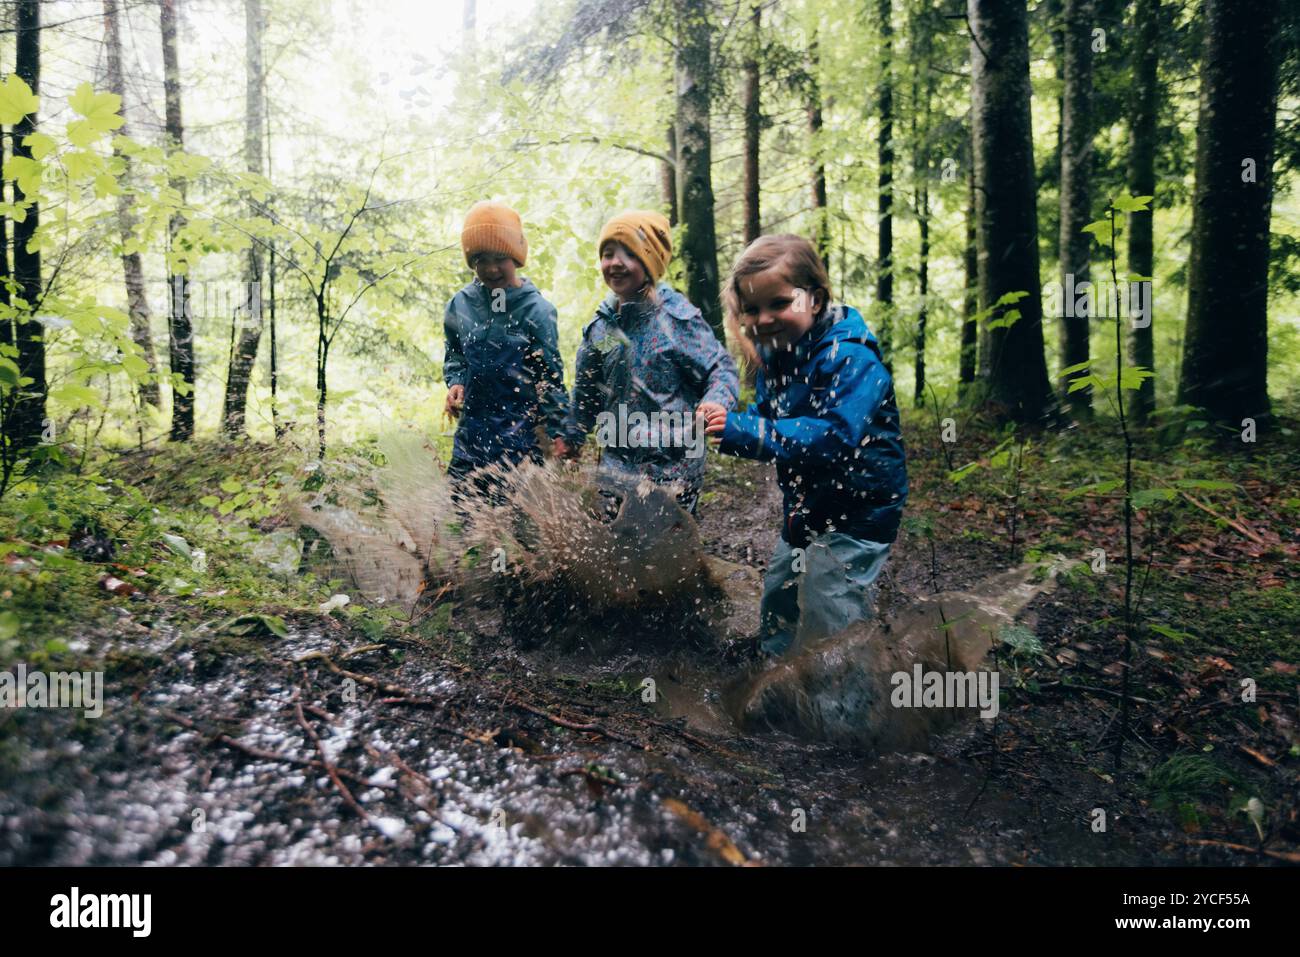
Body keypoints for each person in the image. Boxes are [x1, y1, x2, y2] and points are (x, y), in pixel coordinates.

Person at [703, 234, 908, 656]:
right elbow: (770, 427)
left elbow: (833, 435)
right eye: (752, 309)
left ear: (814, 300)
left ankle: (842, 701)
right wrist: (728, 426)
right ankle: (778, 677)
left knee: (830, 604)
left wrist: (748, 431)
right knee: (780, 592)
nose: (763, 319)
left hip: (860, 512)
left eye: (779, 303)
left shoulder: (852, 358)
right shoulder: (775, 362)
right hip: (805, 508)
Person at [559, 210, 739, 516]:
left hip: (675, 466)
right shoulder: (604, 329)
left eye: (629, 253)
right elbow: (588, 390)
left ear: (650, 262)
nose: (615, 262)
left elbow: (719, 368)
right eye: (607, 254)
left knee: (667, 551)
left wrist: (716, 400)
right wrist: (571, 435)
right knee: (618, 548)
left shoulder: (677, 320)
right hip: (617, 465)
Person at [442, 200, 567, 504]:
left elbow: (550, 378)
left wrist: (561, 432)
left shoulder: (537, 311)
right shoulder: (461, 304)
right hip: (471, 440)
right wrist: (456, 382)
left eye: (500, 257)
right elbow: (456, 354)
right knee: (463, 525)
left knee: (514, 533)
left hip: (520, 443)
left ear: (516, 255)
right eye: (481, 259)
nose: (491, 268)